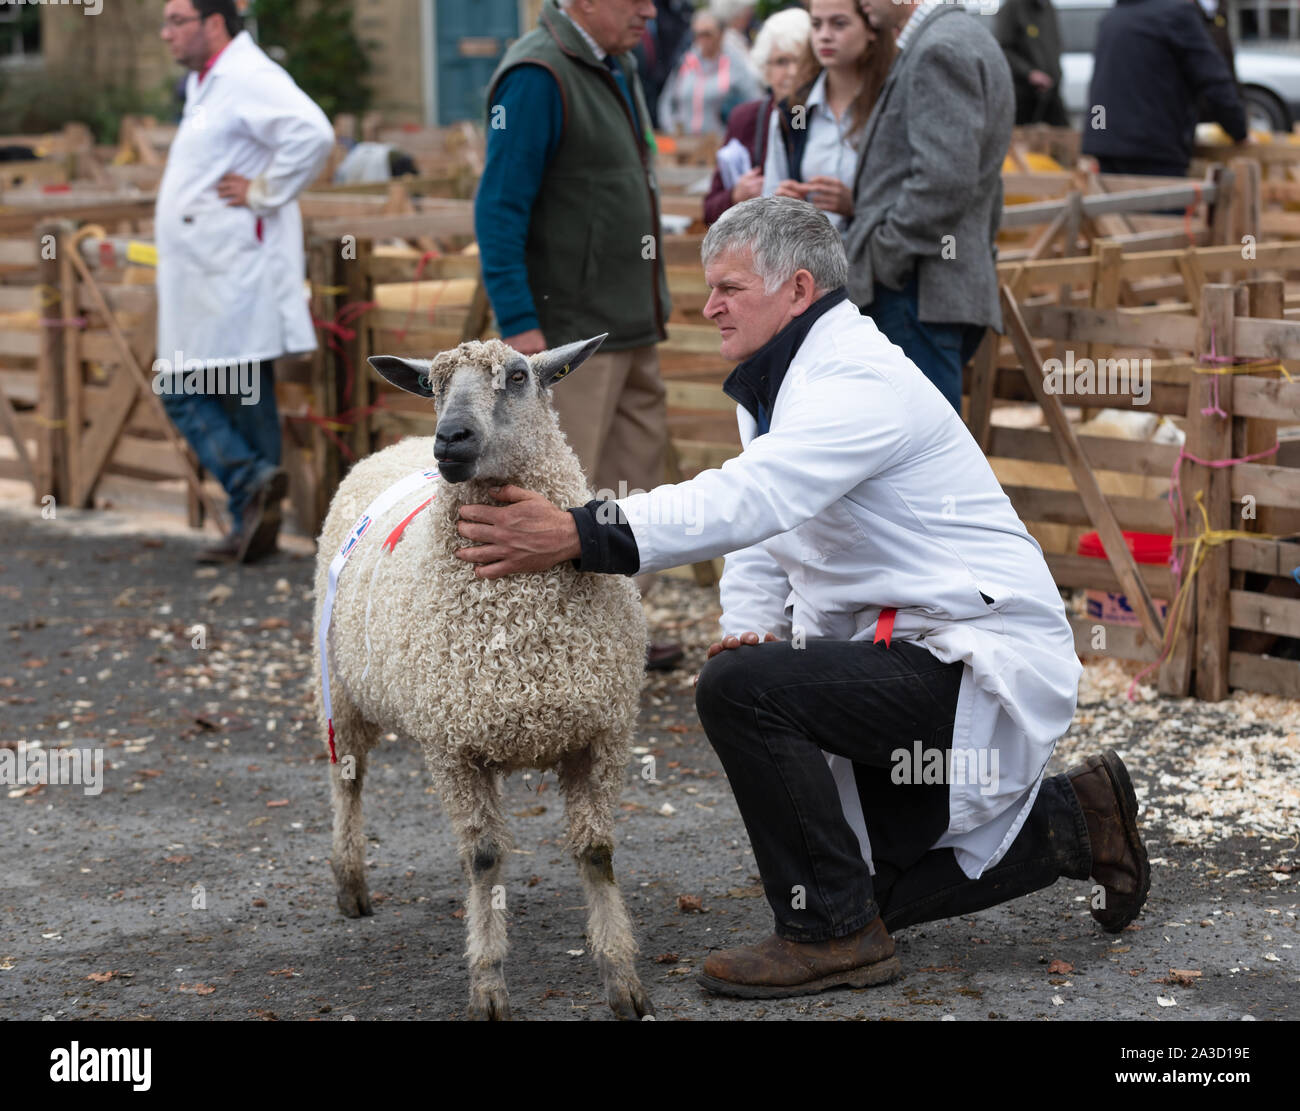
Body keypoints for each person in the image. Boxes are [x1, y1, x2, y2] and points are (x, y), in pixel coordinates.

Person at [449, 197, 1150, 999]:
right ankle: (1080, 815)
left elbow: (754, 495)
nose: (708, 306)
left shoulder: (856, 376)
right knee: (860, 877)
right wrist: (748, 625)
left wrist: (582, 530)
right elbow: (766, 531)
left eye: (729, 287)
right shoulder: (775, 386)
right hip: (898, 656)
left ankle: (831, 938)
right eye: (709, 287)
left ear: (798, 289)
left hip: (967, 655)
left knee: (741, 699)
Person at [475, 0, 682, 671]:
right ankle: (542, 645)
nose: (651, 11)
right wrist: (522, 329)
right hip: (565, 340)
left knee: (630, 484)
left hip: (626, 324)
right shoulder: (538, 74)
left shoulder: (610, 64)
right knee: (563, 492)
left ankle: (614, 629)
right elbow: (498, 210)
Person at [155, 0, 333, 563]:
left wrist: (262, 191)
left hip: (232, 270)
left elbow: (315, 134)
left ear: (213, 23)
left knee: (178, 385)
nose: (166, 35)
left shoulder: (248, 75)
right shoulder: (209, 82)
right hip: (215, 270)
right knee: (245, 397)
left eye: (177, 21)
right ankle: (254, 529)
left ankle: (250, 478)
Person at [847, 0, 1014, 414]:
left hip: (919, 289)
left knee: (922, 462)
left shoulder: (941, 47)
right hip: (927, 286)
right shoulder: (956, 37)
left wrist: (886, 257)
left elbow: (945, 180)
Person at [762, 0, 894, 238]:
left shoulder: (893, 103)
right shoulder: (792, 111)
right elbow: (768, 202)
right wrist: (784, 204)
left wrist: (857, 205)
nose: (824, 36)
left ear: (871, 28)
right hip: (810, 266)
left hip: (878, 262)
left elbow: (918, 201)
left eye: (839, 24)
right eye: (816, 24)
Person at [1082, 0, 1246, 176]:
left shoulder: (1114, 16)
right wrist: (1238, 130)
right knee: (1162, 201)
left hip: (1108, 146)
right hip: (1153, 147)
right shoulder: (1176, 14)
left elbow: (1100, 88)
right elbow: (1213, 79)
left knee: (1117, 202)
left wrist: (1096, 133)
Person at [703, 6, 815, 225]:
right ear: (766, 68)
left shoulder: (828, 117)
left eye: (801, 61)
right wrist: (736, 195)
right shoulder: (747, 118)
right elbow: (708, 211)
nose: (792, 72)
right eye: (782, 62)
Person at [658, 7, 762, 135]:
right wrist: (671, 128)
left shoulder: (735, 63)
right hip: (684, 145)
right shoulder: (687, 61)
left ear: (721, 34)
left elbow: (755, 103)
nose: (702, 40)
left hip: (720, 145)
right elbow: (666, 101)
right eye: (697, 34)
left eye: (707, 34)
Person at [996, 0, 1068, 127]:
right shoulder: (1013, 7)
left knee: (1064, 138)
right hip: (1024, 96)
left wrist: (1057, 74)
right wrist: (1029, 73)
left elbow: (1054, 45)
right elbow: (1003, 49)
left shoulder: (1047, 7)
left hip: (1051, 92)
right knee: (1023, 143)